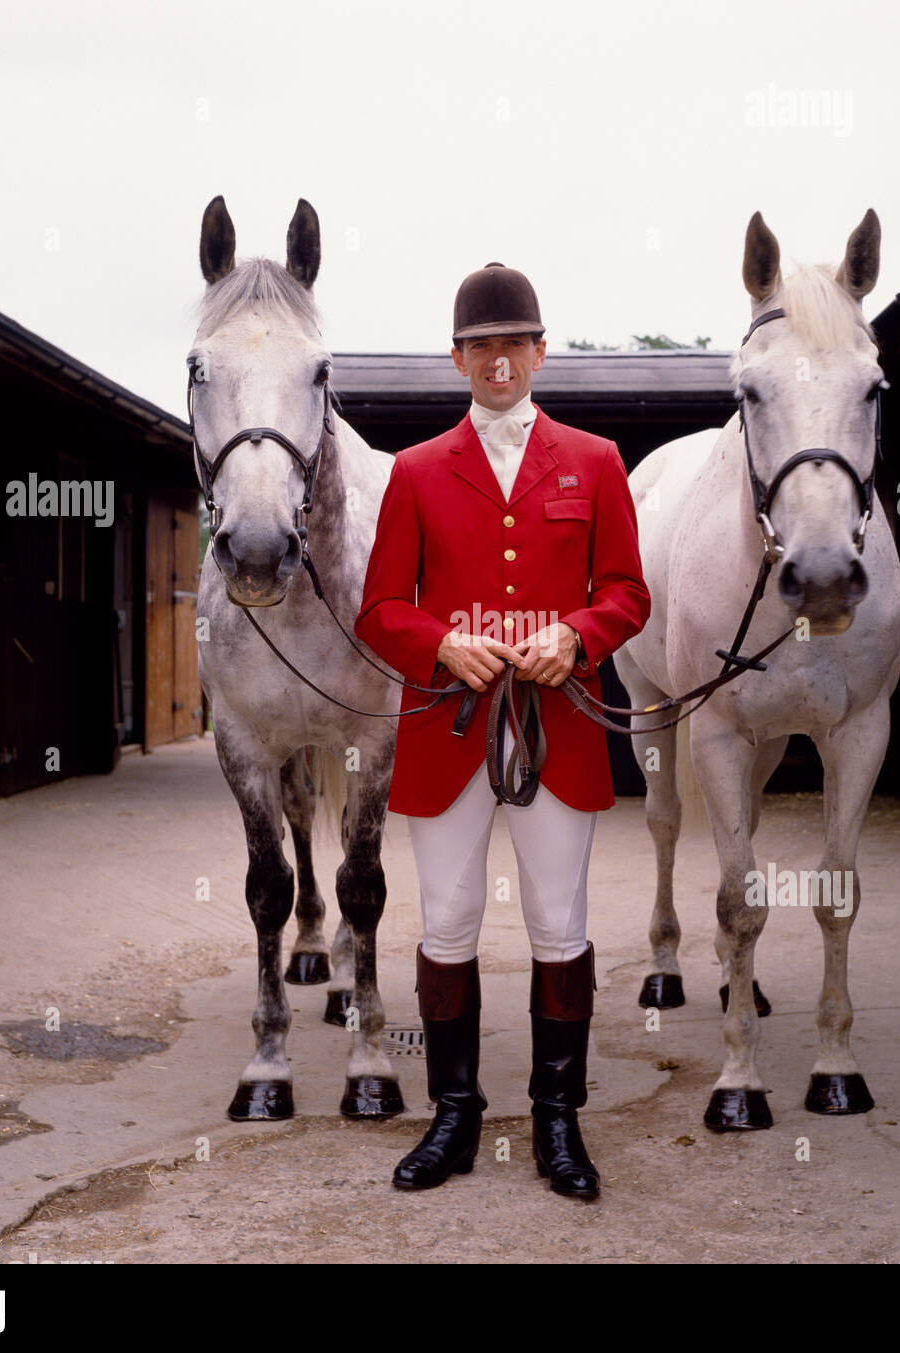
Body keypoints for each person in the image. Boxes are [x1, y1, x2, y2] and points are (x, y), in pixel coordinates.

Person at [354, 262, 650, 1199]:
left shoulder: (597, 461)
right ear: (458, 358)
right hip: (450, 727)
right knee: (448, 922)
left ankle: (560, 1120)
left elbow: (629, 593)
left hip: (556, 723)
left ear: (540, 351)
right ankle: (454, 1114)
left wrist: (579, 633)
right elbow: (377, 610)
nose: (498, 360)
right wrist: (441, 642)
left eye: (513, 343)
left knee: (560, 923)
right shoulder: (412, 471)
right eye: (480, 345)